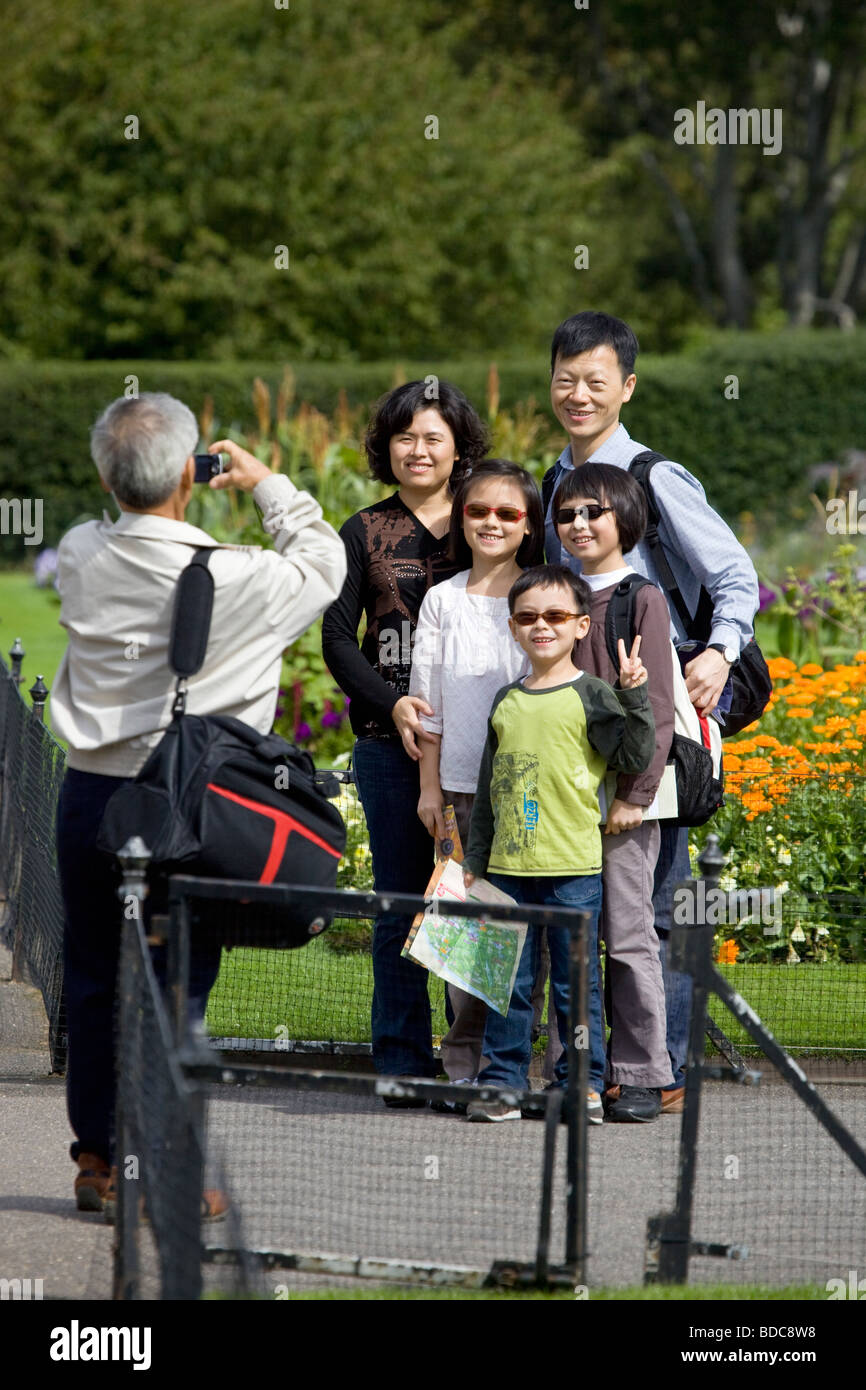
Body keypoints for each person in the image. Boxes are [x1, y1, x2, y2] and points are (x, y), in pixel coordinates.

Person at [52, 392, 346, 1213]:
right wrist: (266, 485)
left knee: (92, 978)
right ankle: (174, 1167)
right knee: (178, 985)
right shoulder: (243, 576)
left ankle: (98, 1158)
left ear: (105, 475)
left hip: (94, 791)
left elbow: (119, 527)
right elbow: (325, 563)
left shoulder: (79, 552)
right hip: (189, 801)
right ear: (192, 473)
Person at [542, 310, 759, 1110]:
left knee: (651, 906)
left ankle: (656, 1070)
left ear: (626, 386)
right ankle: (617, 1063)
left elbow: (737, 578)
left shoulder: (655, 477)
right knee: (601, 900)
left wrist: (718, 651)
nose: (579, 394)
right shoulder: (553, 484)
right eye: (566, 379)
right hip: (578, 725)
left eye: (596, 381)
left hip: (658, 712)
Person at [321, 380, 488, 1098]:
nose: (418, 451)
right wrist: (391, 705)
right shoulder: (361, 530)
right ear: (385, 448)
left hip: (482, 744)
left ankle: (476, 1060)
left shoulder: (490, 516)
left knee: (473, 900)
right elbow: (335, 637)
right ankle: (399, 1058)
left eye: (433, 437)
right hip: (392, 748)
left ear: (458, 447)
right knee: (398, 902)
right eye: (404, 438)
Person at [461, 564, 656, 1122]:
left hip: (573, 869)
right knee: (508, 985)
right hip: (505, 870)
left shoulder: (593, 694)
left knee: (576, 988)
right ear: (513, 627)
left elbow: (631, 757)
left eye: (555, 616)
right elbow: (488, 787)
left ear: (580, 626)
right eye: (527, 617)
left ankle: (581, 1085)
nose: (540, 626)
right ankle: (502, 1082)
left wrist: (635, 695)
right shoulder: (505, 700)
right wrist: (476, 861)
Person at [408, 459, 543, 1094]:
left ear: (528, 525)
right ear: (460, 519)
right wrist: (429, 787)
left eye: (507, 513)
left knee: (519, 927)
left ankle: (510, 1065)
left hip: (527, 794)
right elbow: (427, 704)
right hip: (459, 788)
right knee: (461, 931)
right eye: (478, 511)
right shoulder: (441, 600)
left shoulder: (543, 599)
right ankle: (463, 1067)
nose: (491, 522)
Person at [554, 462, 675, 1121]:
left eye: (593, 512)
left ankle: (640, 1074)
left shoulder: (640, 599)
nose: (579, 523)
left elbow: (655, 705)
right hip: (562, 796)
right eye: (568, 513)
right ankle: (575, 1070)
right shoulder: (556, 594)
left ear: (624, 520)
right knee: (569, 936)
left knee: (627, 936)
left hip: (620, 799)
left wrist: (635, 794)